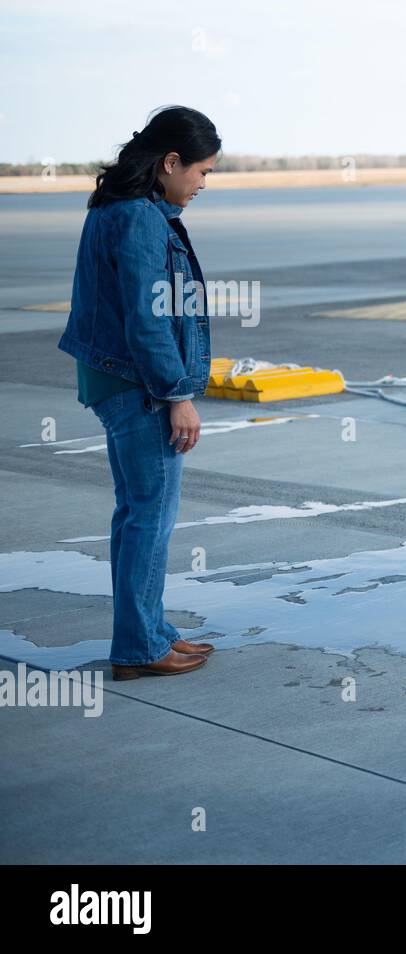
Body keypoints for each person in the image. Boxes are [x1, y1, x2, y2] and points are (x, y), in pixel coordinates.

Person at [56, 105, 220, 680]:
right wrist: (178, 395)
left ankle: (147, 629)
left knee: (135, 514)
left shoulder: (120, 207)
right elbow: (147, 320)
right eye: (200, 171)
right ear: (170, 162)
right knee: (150, 516)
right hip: (138, 385)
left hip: (114, 378)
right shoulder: (140, 218)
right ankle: (139, 647)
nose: (203, 183)